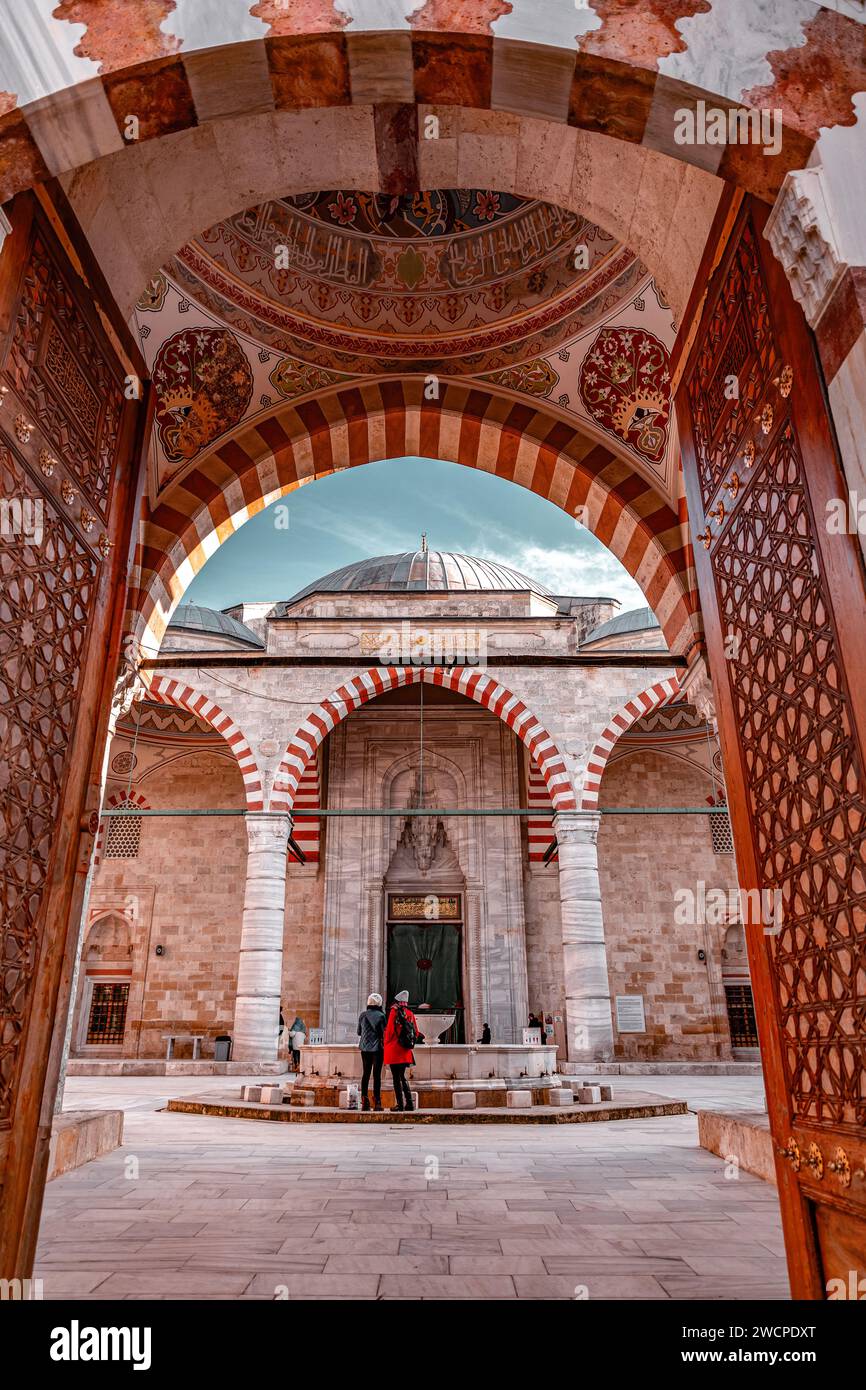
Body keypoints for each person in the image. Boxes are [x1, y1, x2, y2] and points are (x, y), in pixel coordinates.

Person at [383, 990, 421, 1112]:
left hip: (394, 1049)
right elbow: (416, 1032)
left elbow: (389, 1031)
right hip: (405, 1050)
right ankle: (409, 1103)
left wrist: (386, 1043)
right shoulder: (410, 1013)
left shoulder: (394, 1012)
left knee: (396, 1078)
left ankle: (400, 1105)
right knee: (402, 1077)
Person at [357, 992, 386, 1111]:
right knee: (376, 1075)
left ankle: (364, 1101)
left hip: (364, 1048)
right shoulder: (381, 1016)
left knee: (365, 1074)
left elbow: (359, 1032)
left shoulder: (362, 1015)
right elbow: (383, 1033)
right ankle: (377, 1102)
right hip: (377, 1049)